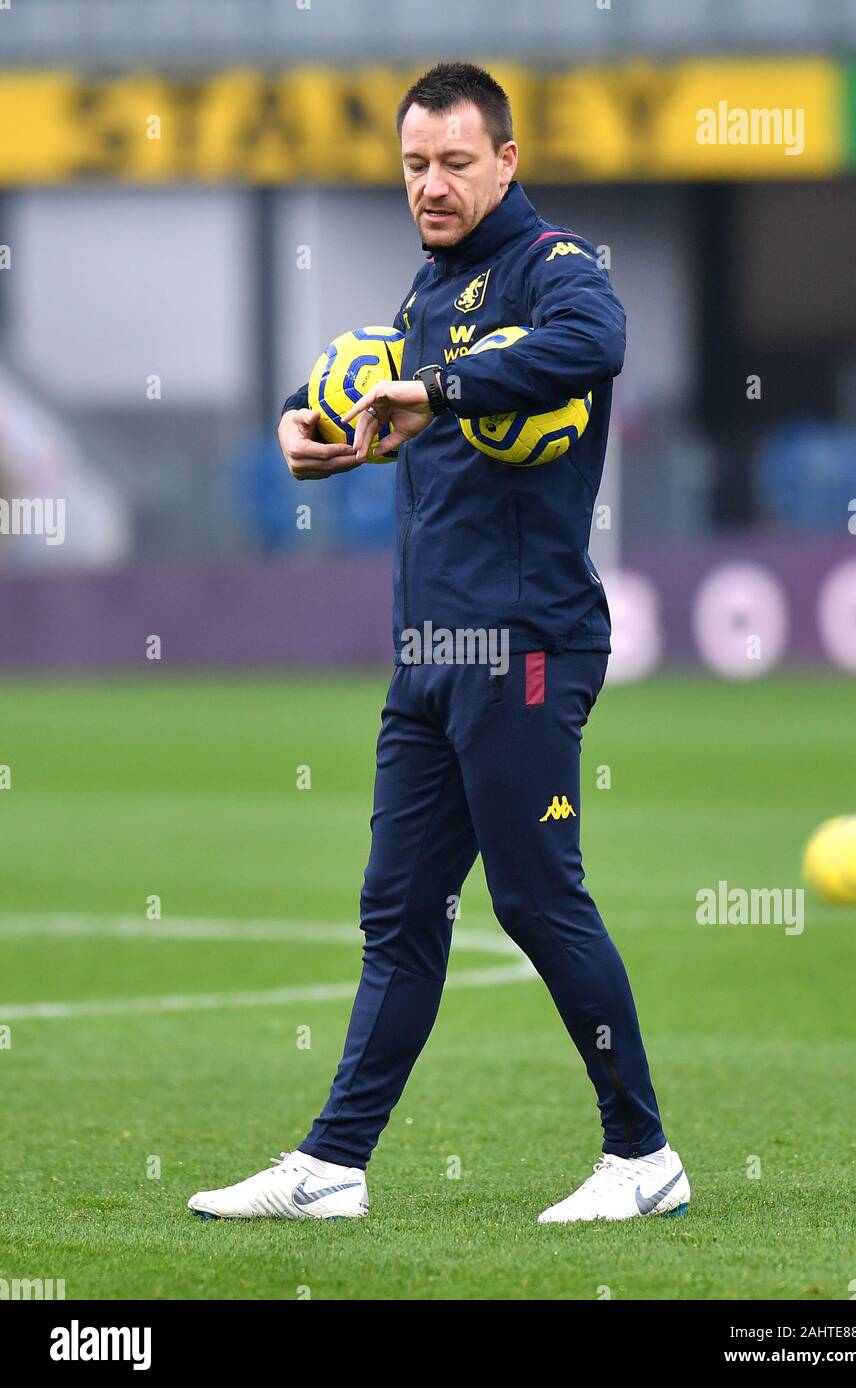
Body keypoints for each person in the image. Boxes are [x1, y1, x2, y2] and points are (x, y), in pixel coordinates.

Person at [189, 62, 689, 1225]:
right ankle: (334, 1164)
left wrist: (442, 389)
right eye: (415, 164)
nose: (432, 184)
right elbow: (356, 372)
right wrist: (299, 421)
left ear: (506, 160)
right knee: (399, 912)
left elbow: (597, 341)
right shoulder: (430, 290)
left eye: (456, 162)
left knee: (536, 897)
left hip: (525, 641)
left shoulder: (555, 267)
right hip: (429, 652)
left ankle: (643, 1154)